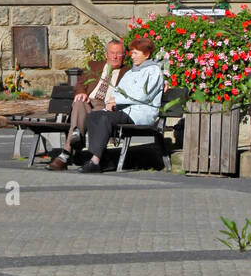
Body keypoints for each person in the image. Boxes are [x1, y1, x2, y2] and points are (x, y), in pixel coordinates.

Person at [73, 35, 165, 173]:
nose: (132, 56)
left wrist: (118, 100)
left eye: (135, 53)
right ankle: (101, 158)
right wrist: (112, 101)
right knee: (94, 116)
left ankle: (95, 161)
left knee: (104, 118)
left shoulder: (153, 71)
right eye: (132, 52)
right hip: (125, 110)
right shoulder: (132, 71)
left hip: (141, 112)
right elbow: (118, 90)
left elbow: (142, 95)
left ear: (146, 54)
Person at [47, 38, 129, 171]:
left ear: (124, 56)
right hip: (89, 102)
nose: (114, 56)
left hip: (106, 107)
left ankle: (66, 153)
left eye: (118, 53)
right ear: (106, 54)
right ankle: (76, 138)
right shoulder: (94, 66)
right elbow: (80, 84)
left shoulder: (128, 71)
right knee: (79, 101)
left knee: (89, 109)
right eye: (112, 53)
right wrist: (81, 92)